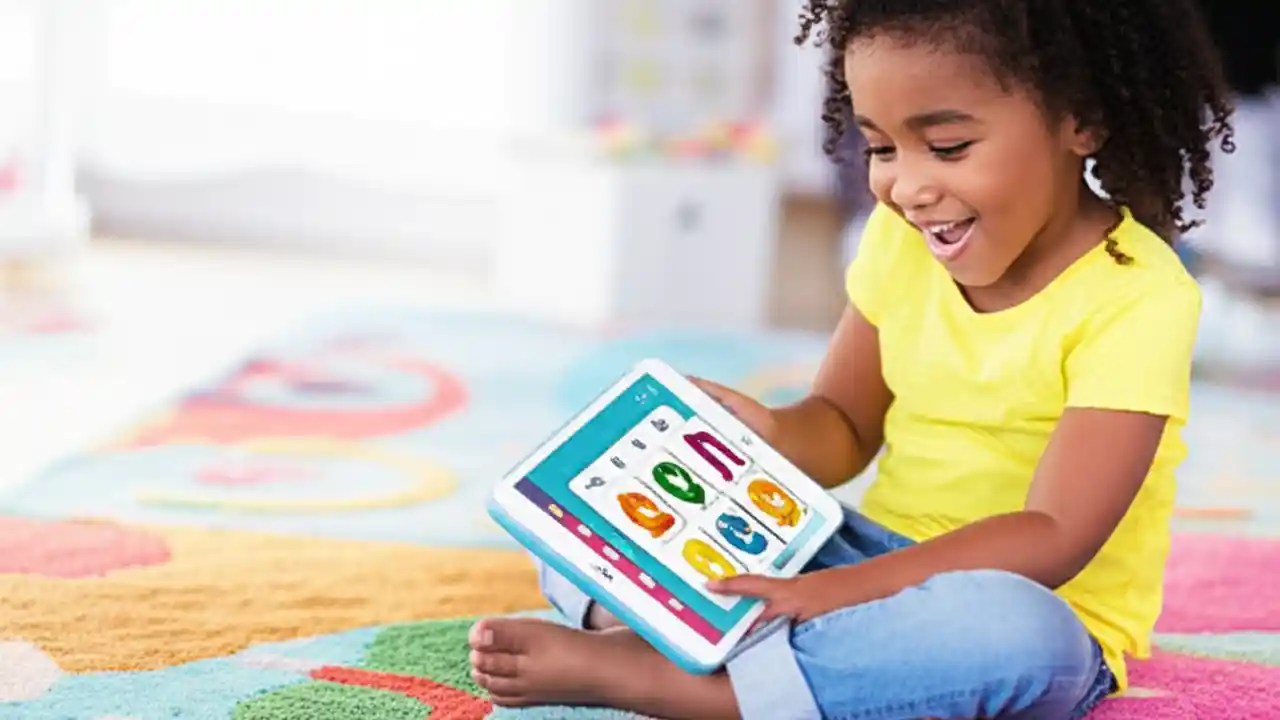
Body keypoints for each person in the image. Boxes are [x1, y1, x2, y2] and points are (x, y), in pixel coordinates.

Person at [469, 1, 1234, 717]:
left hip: (1023, 597)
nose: (907, 187)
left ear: (1083, 121)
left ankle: (671, 674)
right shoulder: (899, 242)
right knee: (584, 518)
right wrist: (766, 432)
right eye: (879, 147)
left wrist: (840, 593)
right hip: (859, 553)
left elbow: (1054, 535)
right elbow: (840, 427)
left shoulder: (1141, 298)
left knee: (1020, 641)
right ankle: (724, 629)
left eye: (947, 147)